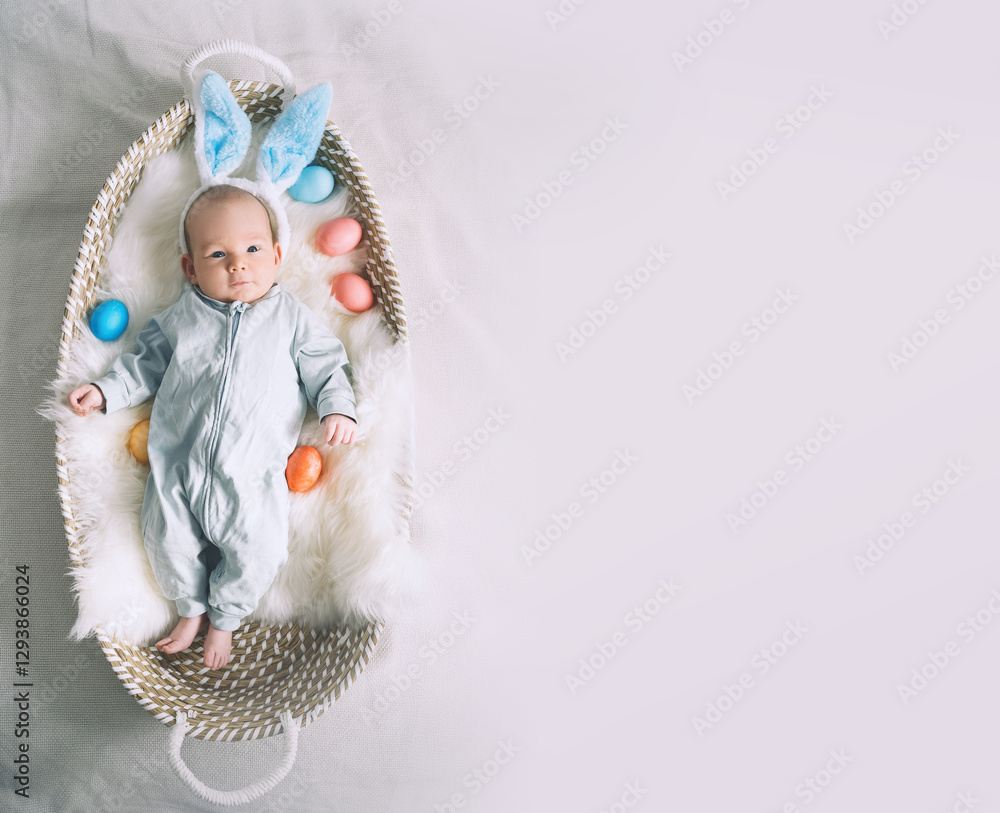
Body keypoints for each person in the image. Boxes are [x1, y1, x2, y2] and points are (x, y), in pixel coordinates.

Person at [67, 185, 358, 669]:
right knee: (164, 539)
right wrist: (105, 392)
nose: (237, 264)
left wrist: (337, 408)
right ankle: (190, 609)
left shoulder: (291, 319)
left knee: (261, 550)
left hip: (252, 474)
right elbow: (144, 364)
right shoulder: (182, 317)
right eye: (218, 254)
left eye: (252, 249)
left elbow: (327, 367)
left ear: (277, 255)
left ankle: (224, 619)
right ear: (190, 269)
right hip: (176, 465)